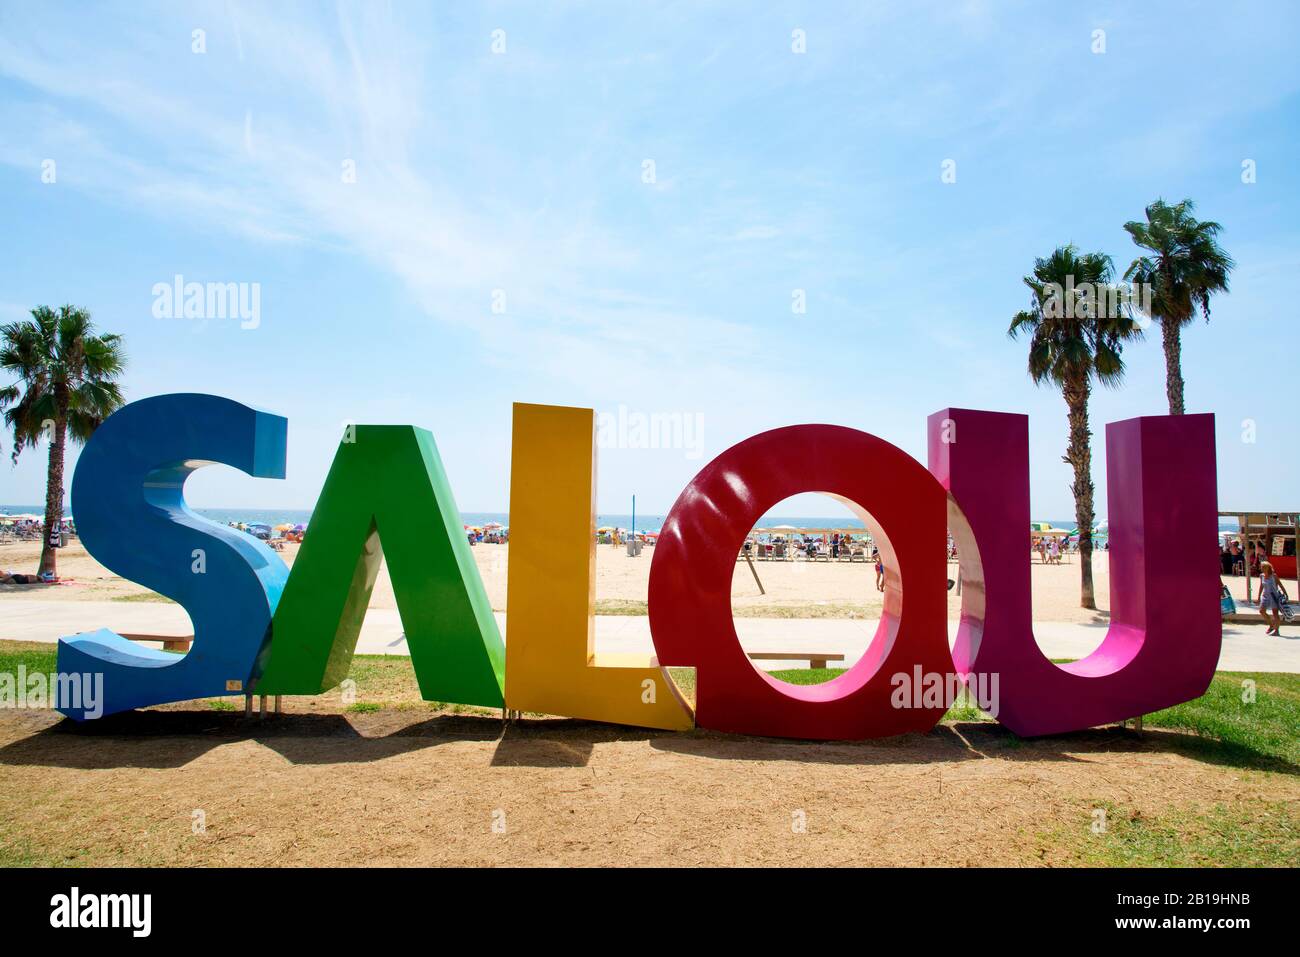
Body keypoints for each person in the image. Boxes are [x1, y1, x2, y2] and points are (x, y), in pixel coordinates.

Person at [1258, 561, 1285, 636]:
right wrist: (1258, 596)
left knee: (1275, 614)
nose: (1262, 569)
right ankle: (1271, 625)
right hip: (1265, 596)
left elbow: (1280, 585)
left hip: (1274, 596)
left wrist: (1285, 594)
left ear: (1269, 568)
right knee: (1261, 611)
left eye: (1264, 567)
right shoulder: (1261, 576)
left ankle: (1277, 630)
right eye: (1261, 567)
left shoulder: (1274, 576)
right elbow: (1261, 586)